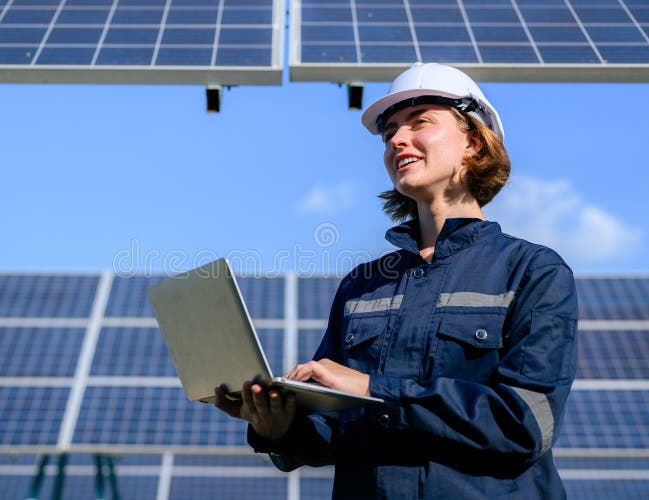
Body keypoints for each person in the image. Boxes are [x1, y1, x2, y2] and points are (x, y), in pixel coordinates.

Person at [214, 62, 578, 499]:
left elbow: (524, 424)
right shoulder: (362, 285)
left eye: (419, 122)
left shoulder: (533, 271)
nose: (397, 140)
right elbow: (336, 430)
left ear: (474, 143)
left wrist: (374, 389)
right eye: (390, 133)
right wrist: (278, 427)